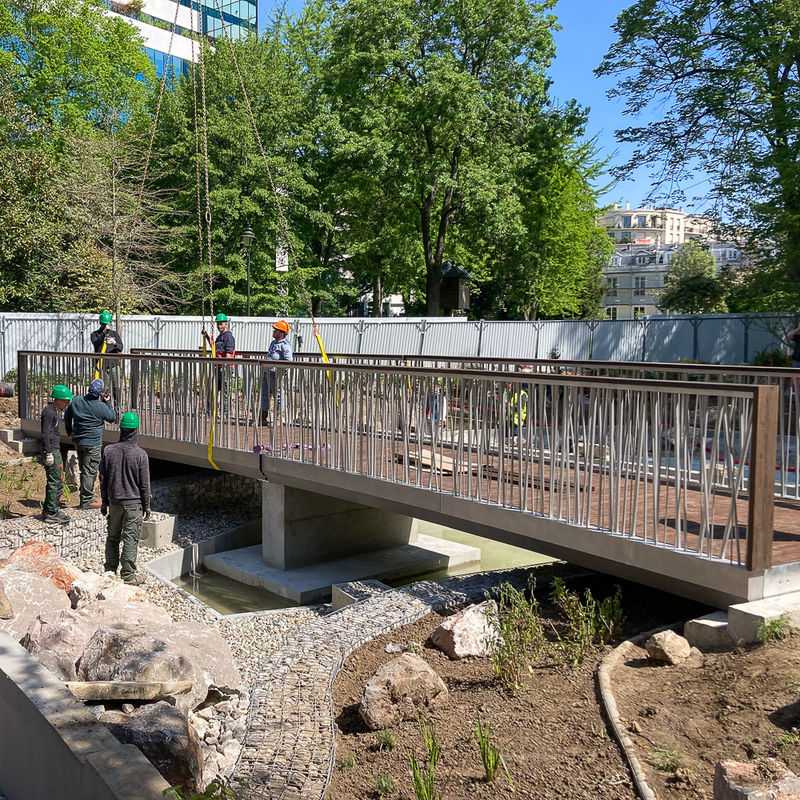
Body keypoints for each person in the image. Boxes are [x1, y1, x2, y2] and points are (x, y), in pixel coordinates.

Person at [100, 411, 151, 586]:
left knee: (112, 537)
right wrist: (147, 506)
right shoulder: (140, 455)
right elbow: (144, 485)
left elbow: (103, 480)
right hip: (133, 505)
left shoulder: (108, 451)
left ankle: (109, 570)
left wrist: (104, 502)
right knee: (130, 539)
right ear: (136, 430)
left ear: (120, 429)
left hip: (114, 503)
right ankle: (128, 576)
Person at [64, 378, 117, 509]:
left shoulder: (76, 401)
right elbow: (112, 417)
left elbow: (67, 415)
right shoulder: (101, 407)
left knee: (83, 469)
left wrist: (69, 430)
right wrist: (108, 403)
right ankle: (87, 500)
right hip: (93, 443)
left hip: (78, 441)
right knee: (90, 471)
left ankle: (84, 497)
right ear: (100, 394)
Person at [40, 384, 75, 525]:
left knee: (56, 480)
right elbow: (45, 434)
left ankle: (50, 509)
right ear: (59, 399)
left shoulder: (53, 411)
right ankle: (51, 512)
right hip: (52, 450)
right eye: (66, 400)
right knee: (56, 481)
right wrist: (48, 453)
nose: (67, 403)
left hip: (54, 449)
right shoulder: (49, 412)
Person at [262, 320, 292, 424]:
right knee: (264, 394)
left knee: (278, 396)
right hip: (267, 372)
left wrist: (280, 372)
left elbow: (288, 361)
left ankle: (279, 418)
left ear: (282, 333)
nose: (274, 331)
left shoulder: (285, 345)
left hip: (276, 374)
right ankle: (263, 416)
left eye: (276, 330)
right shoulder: (273, 343)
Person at [91, 311, 124, 409]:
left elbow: (121, 347)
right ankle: (105, 411)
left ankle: (118, 412)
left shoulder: (114, 334)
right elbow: (96, 344)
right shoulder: (95, 334)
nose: (105, 325)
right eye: (104, 324)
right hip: (102, 366)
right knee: (104, 390)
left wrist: (115, 343)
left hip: (114, 364)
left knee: (117, 388)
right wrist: (104, 334)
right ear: (100, 323)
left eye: (107, 324)